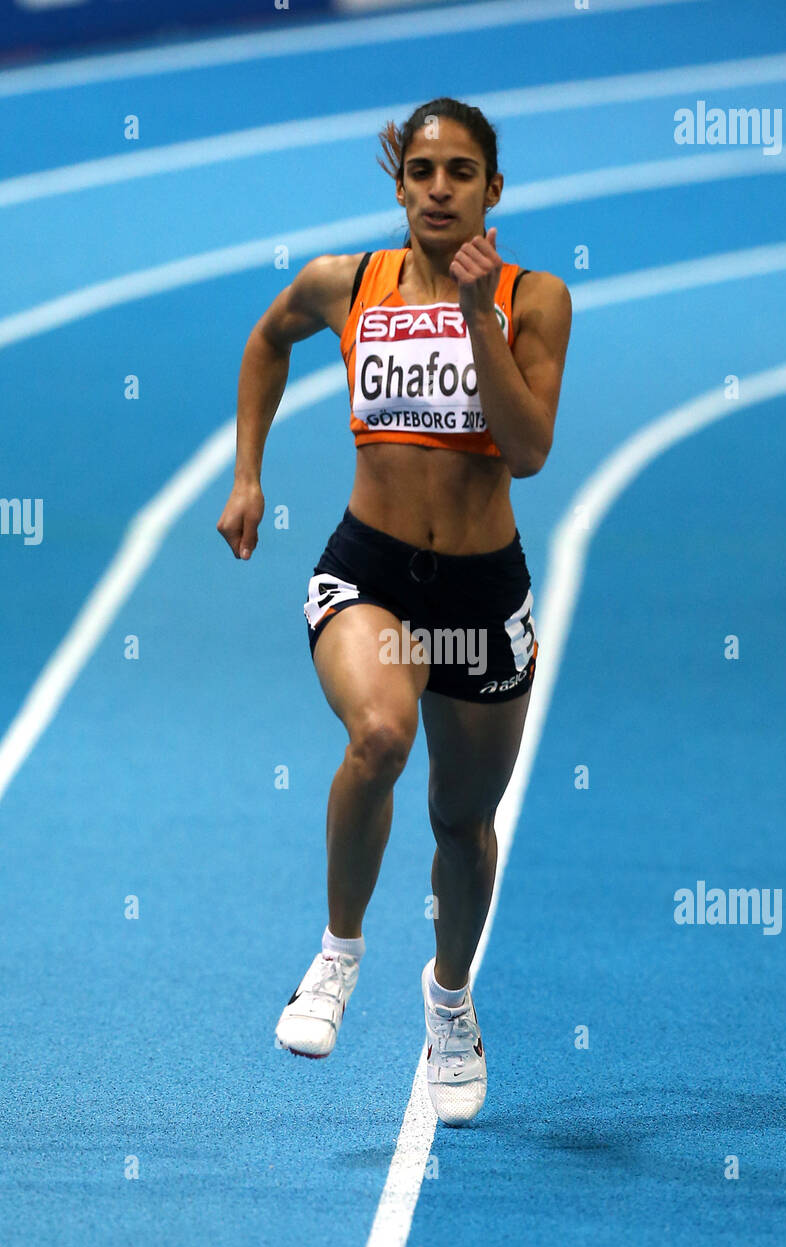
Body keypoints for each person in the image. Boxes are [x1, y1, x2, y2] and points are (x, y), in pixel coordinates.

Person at [217, 97, 571, 1126]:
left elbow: (530, 449)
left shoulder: (533, 298)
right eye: (421, 172)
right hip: (368, 572)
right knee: (378, 733)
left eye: (461, 172)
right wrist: (249, 473)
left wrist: (473, 318)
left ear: (491, 190)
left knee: (461, 823)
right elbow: (265, 340)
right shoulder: (347, 283)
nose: (438, 189)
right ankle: (335, 956)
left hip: (480, 592)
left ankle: (449, 1004)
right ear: (399, 184)